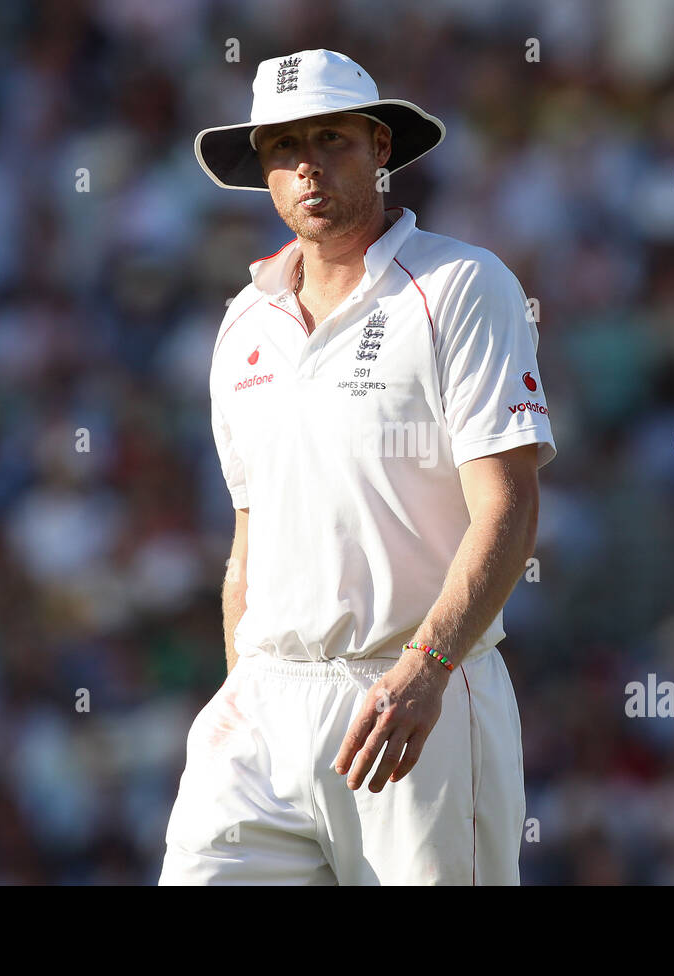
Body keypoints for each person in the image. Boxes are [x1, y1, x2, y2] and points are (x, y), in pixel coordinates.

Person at [160, 49, 556, 885]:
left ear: (380, 147)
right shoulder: (242, 323)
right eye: (283, 147)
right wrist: (243, 696)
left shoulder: (461, 287)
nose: (307, 163)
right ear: (262, 170)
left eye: (331, 138)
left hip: (419, 698)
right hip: (265, 714)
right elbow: (250, 539)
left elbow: (508, 509)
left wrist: (428, 670)